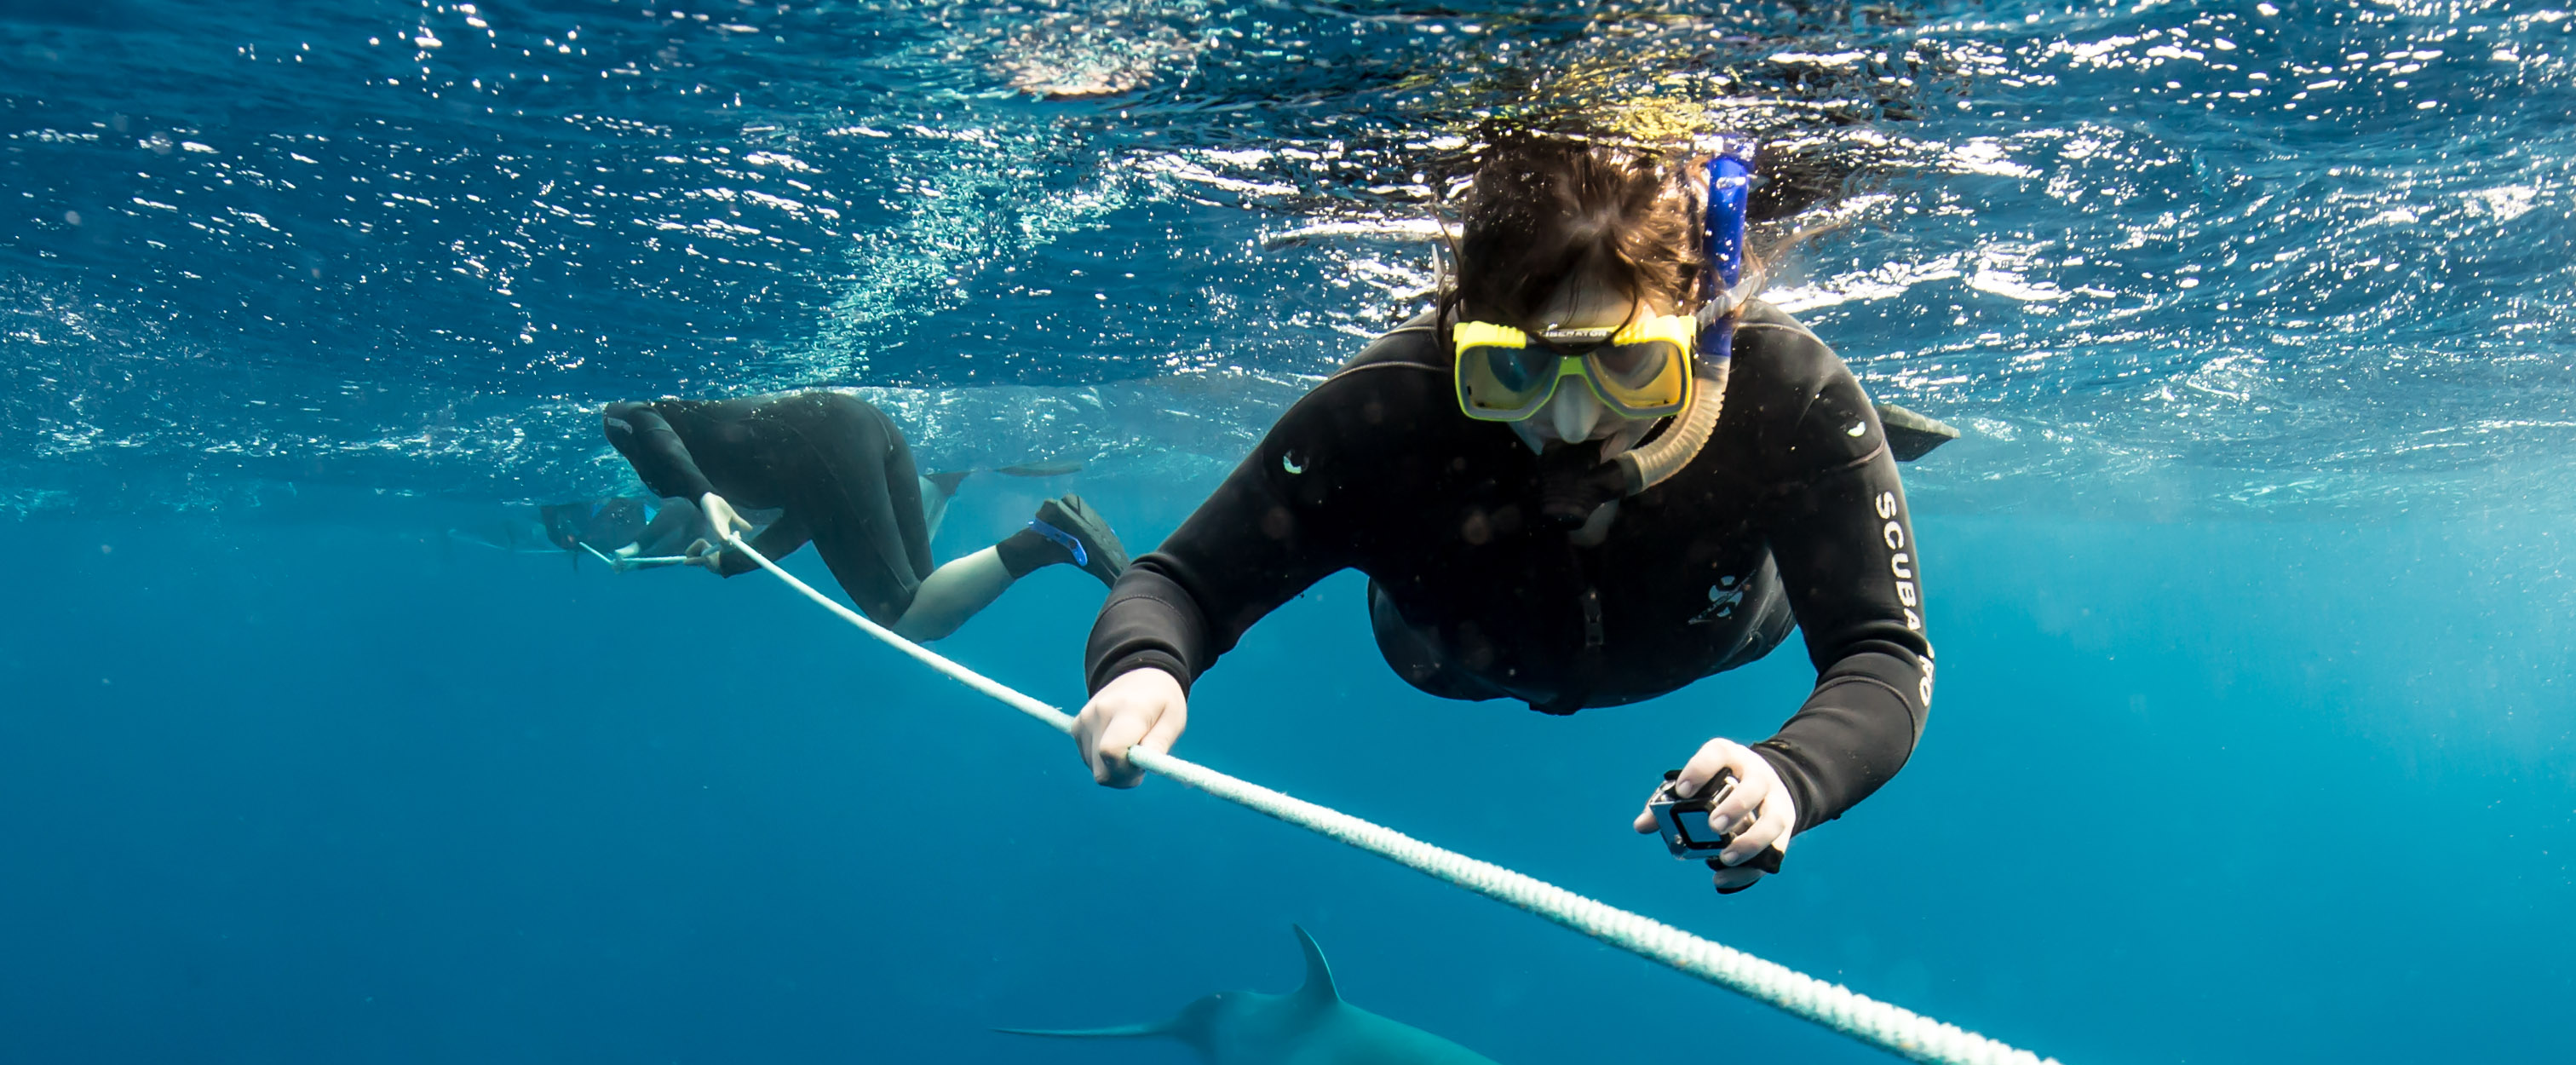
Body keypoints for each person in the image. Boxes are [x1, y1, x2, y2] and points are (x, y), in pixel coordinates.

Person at [1072, 132, 1951, 889]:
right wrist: (1146, 666)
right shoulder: (1387, 409)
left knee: (1821, 436)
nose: (1571, 423)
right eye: (1516, 370)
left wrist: (1793, 777)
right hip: (1449, 659)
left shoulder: (1784, 393)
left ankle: (1853, 454)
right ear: (1462, 335)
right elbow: (1180, 585)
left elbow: (1882, 652)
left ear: (1701, 336)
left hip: (1727, 627)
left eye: (1629, 365)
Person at [548, 390, 1129, 646]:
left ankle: (1048, 537)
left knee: (903, 619)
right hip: (856, 425)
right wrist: (731, 562)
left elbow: (631, 413)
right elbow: (814, 514)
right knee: (926, 600)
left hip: (824, 446)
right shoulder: (742, 455)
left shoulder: (649, 438)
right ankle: (1046, 534)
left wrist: (702, 495)